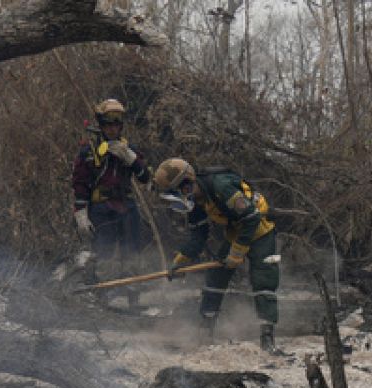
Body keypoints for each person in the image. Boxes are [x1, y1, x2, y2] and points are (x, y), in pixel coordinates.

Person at [149, 158, 282, 353]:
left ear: (186, 185)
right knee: (215, 278)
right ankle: (206, 332)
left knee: (263, 280)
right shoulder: (196, 202)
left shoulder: (221, 187)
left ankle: (267, 338)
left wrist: (237, 253)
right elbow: (198, 236)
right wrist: (179, 263)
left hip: (260, 229)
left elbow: (252, 218)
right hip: (238, 230)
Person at [70, 98, 152, 292]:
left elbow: (145, 177)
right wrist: (81, 214)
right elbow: (80, 185)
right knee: (104, 255)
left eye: (117, 123)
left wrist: (131, 159)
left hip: (127, 207)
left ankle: (131, 294)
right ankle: (101, 294)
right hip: (101, 209)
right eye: (108, 123)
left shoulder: (129, 149)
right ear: (101, 124)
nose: (113, 128)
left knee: (132, 254)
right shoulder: (89, 152)